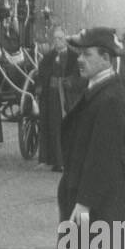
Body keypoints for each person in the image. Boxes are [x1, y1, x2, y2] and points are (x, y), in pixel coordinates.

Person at [57, 27, 125, 249]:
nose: (79, 60)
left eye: (87, 55)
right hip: (96, 200)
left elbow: (103, 156)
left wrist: (85, 202)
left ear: (106, 58)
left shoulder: (111, 99)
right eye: (79, 54)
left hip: (102, 204)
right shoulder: (100, 90)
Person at [34, 27, 83, 172]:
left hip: (67, 97)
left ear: (65, 40)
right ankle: (54, 160)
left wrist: (70, 82)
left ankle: (65, 160)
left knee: (65, 127)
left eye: (60, 38)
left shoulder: (75, 57)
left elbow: (80, 76)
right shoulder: (48, 57)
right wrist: (39, 86)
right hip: (50, 97)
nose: (57, 41)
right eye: (55, 38)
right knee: (51, 127)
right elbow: (39, 74)